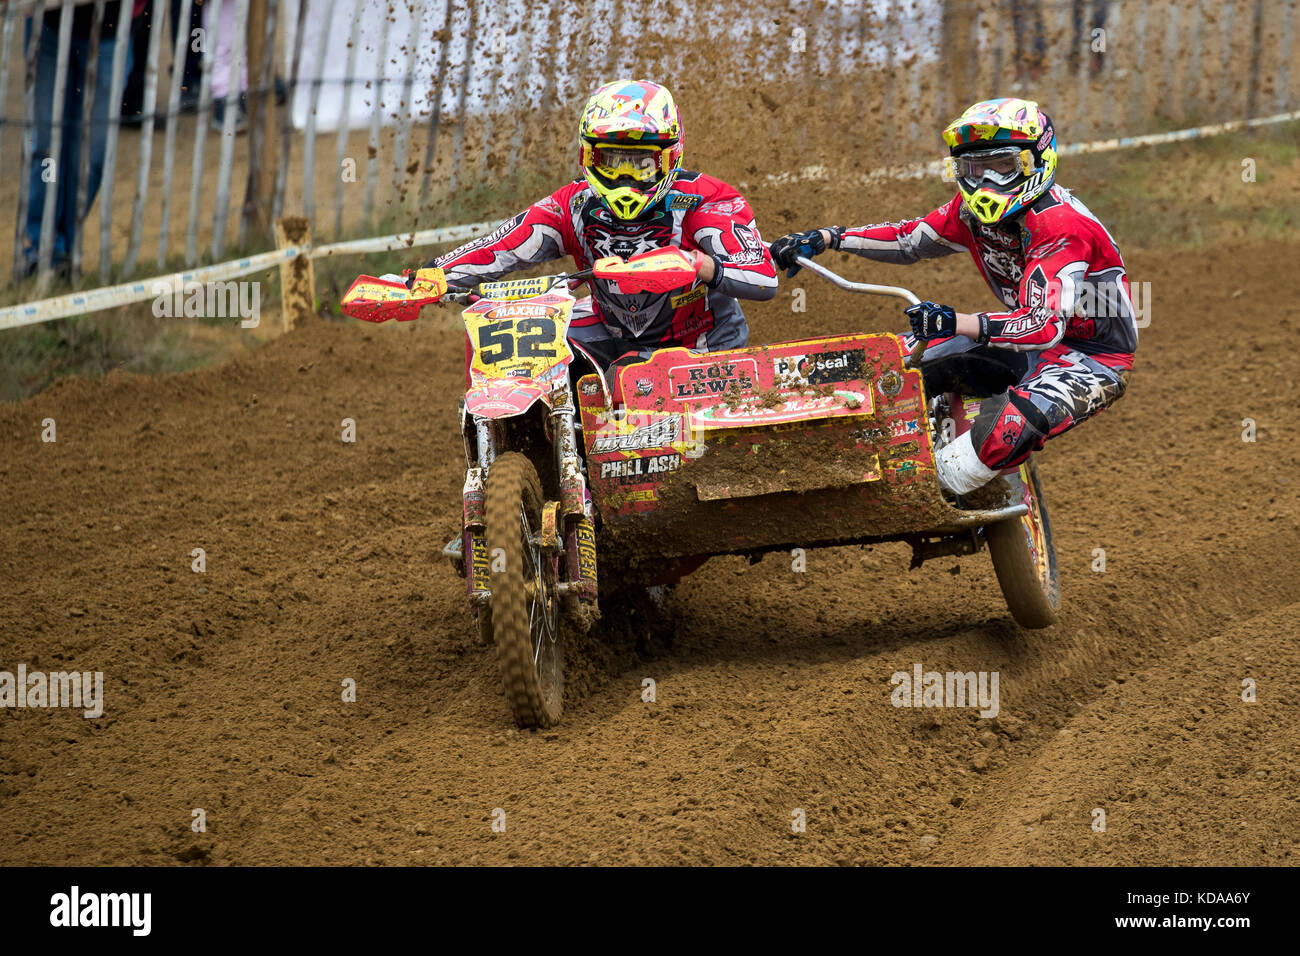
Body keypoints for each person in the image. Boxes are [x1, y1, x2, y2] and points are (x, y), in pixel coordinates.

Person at [770, 97, 1136, 496]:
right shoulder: (969, 212)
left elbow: (1044, 325)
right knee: (888, 356)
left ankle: (929, 489)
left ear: (1035, 160)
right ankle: (796, 439)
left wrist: (953, 321)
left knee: (1008, 429)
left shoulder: (1060, 225)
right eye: (974, 169)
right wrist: (828, 238)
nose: (986, 183)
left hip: (1089, 357)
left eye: (1002, 166)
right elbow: (910, 239)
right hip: (1017, 337)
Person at [405, 79, 777, 372]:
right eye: (613, 160)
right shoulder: (572, 205)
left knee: (632, 376)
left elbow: (763, 277)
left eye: (641, 163)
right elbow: (496, 248)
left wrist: (701, 265)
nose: (626, 176)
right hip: (611, 330)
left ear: (669, 158)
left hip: (702, 343)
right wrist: (419, 280)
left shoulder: (705, 199)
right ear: (588, 156)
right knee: (521, 353)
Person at [23, 1, 141, 276]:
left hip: (112, 29)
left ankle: (67, 242)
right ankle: (43, 248)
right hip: (49, 23)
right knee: (46, 147)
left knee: (91, 154)